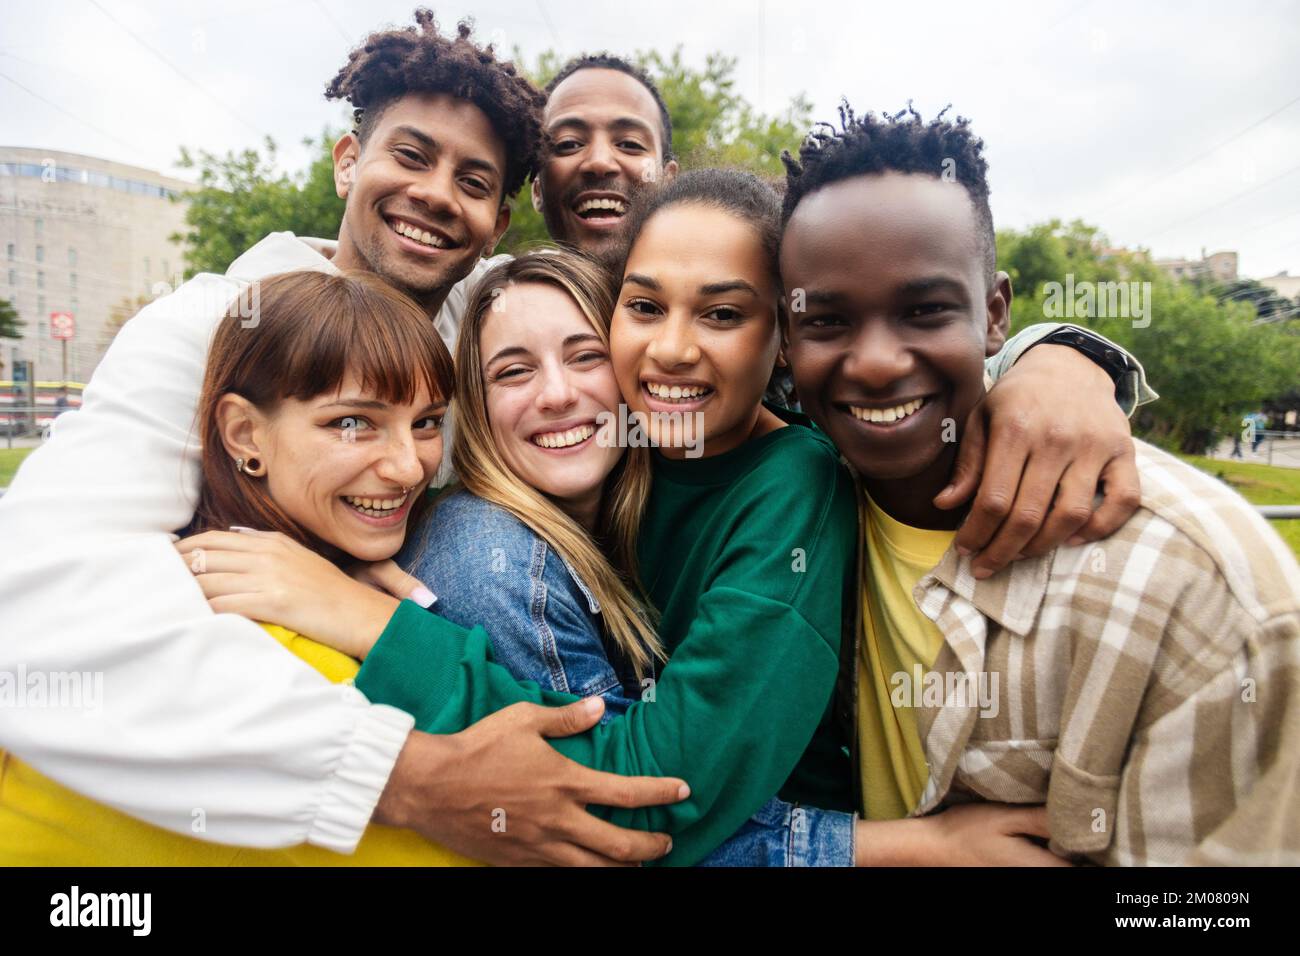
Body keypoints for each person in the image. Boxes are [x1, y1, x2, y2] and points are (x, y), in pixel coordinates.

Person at [0, 10, 686, 867]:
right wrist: (403, 777)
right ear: (346, 161)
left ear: (498, 225)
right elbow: (37, 600)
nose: (437, 193)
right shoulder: (212, 326)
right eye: (409, 155)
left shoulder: (493, 327)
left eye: (474, 181)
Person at [337, 170, 1146, 865]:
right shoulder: (597, 475)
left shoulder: (788, 481)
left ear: (785, 336)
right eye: (644, 307)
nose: (672, 350)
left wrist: (1067, 358)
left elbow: (638, 804)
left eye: (722, 314)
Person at [779, 103, 1300, 864]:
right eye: (827, 323)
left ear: (995, 315)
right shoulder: (790, 508)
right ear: (785, 341)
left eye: (923, 310)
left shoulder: (1197, 588)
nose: (877, 362)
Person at [1, 271, 478, 864]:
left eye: (427, 421)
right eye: (353, 422)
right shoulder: (281, 660)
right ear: (244, 432)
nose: (410, 468)